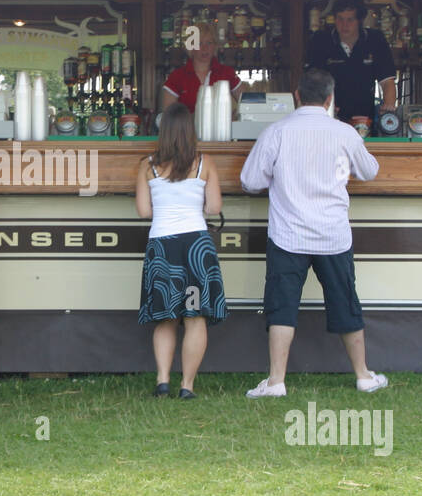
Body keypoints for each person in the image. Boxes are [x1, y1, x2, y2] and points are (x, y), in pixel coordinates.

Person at [239, 68, 389, 397]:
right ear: (330, 99)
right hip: (333, 234)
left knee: (282, 305)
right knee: (345, 302)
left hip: (288, 235)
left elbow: (250, 181)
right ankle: (364, 376)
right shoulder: (345, 133)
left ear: (296, 95)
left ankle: (277, 381)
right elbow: (370, 170)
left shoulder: (276, 132)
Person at [134, 101, 227, 399]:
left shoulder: (147, 165)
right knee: (194, 315)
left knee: (165, 316)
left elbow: (143, 211)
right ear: (191, 131)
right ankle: (187, 385)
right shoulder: (205, 163)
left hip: (162, 247)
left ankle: (163, 381)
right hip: (195, 251)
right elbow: (214, 207)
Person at [303, 0, 397, 125]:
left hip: (365, 120)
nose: (344, 25)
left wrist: (388, 112)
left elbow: (387, 82)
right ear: (334, 19)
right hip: (330, 116)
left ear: (360, 21)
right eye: (340, 19)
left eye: (350, 20)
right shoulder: (321, 40)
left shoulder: (375, 40)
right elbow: (313, 84)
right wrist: (321, 107)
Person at [161, 25, 244, 114]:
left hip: (221, 127)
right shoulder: (177, 77)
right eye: (199, 43)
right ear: (191, 47)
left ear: (215, 46)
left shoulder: (227, 73)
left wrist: (235, 117)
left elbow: (247, 104)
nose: (205, 48)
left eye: (209, 43)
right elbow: (168, 117)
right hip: (187, 128)